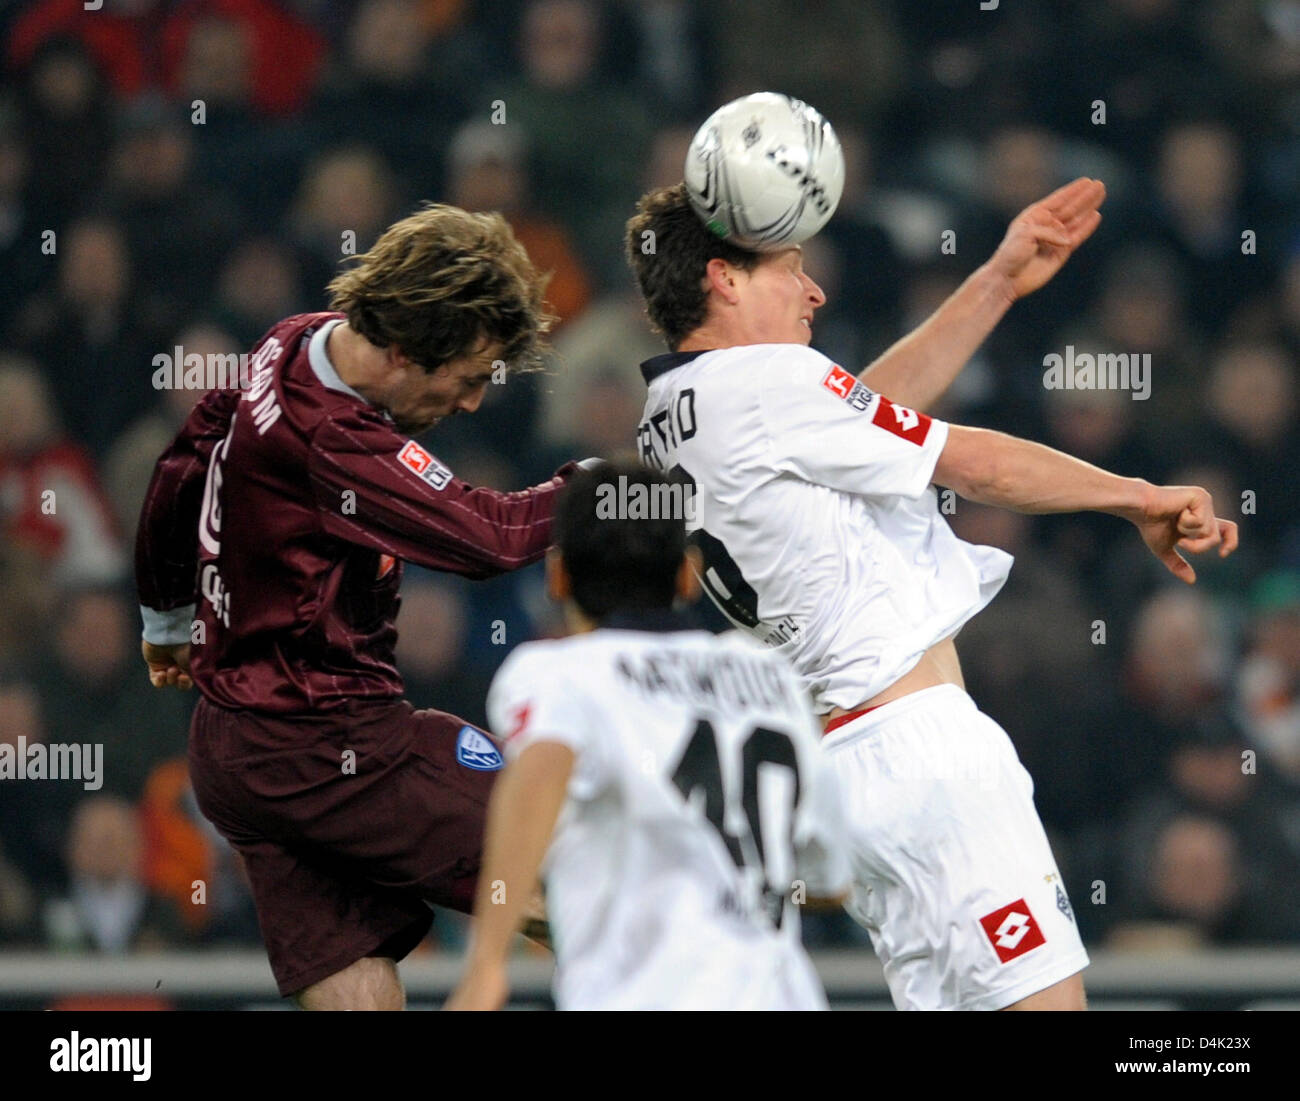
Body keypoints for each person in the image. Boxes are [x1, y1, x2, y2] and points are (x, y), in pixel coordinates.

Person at [623, 179, 1239, 1011]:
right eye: (789, 269)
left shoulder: (673, 410)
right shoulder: (771, 384)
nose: (816, 290)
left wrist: (995, 282)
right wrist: (1137, 496)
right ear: (724, 278)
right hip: (928, 757)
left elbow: (865, 415)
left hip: (854, 767)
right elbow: (975, 464)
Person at [136, 203, 587, 1009]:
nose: (475, 402)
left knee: (360, 994)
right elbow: (487, 538)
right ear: (409, 350)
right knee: (576, 858)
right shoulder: (339, 440)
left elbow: (184, 459)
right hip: (332, 746)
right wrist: (604, 485)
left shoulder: (293, 339)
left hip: (234, 752)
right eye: (472, 376)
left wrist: (166, 619)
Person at [447, 463, 849, 1010]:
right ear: (688, 575)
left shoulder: (558, 673)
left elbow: (539, 777)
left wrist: (486, 966)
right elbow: (828, 880)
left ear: (557, 576)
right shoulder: (771, 679)